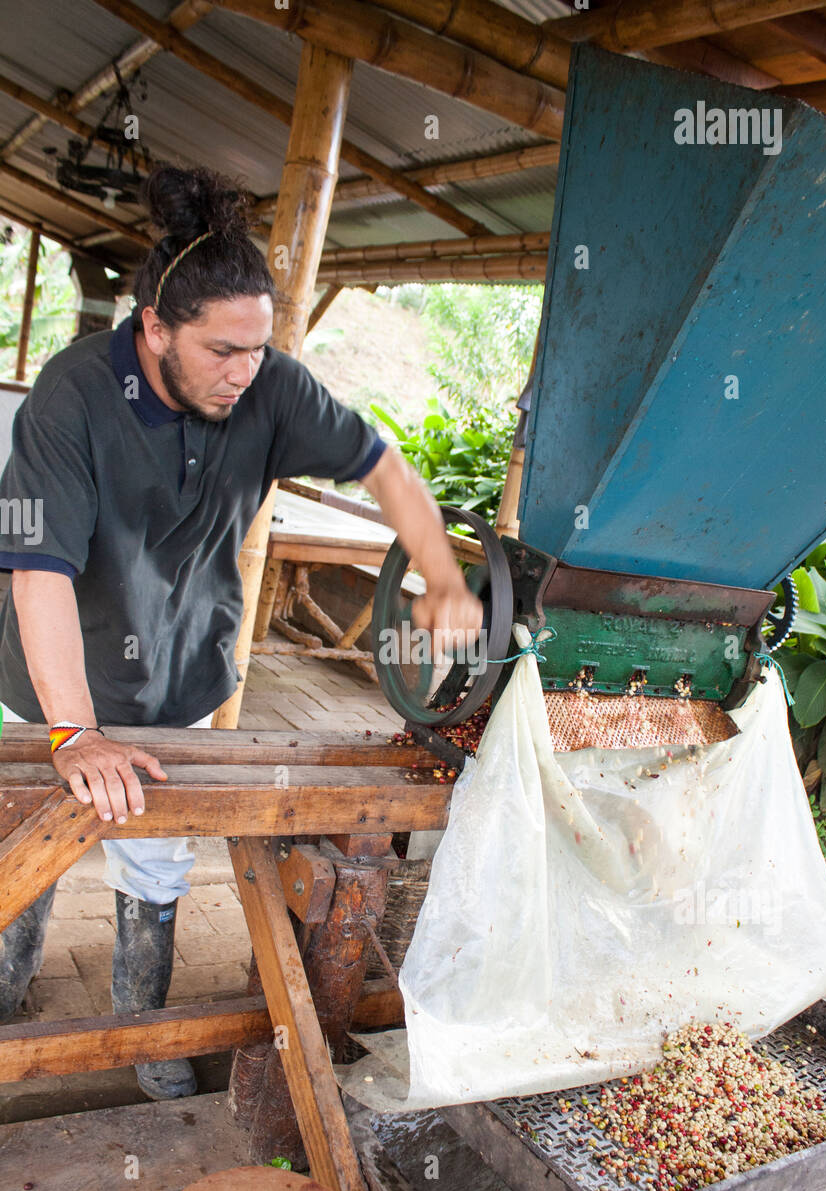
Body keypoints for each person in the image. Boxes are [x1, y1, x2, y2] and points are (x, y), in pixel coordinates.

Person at [0, 165, 482, 1099]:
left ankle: (143, 1030)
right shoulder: (71, 398)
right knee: (31, 839)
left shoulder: (271, 389)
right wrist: (74, 731)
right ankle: (11, 979)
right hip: (48, 667)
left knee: (154, 851)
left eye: (258, 349)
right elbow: (38, 570)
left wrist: (447, 574)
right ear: (152, 327)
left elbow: (382, 465)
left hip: (182, 672)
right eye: (222, 350)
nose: (244, 371)